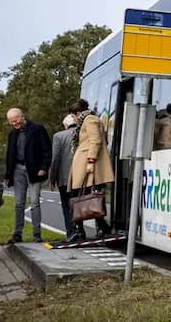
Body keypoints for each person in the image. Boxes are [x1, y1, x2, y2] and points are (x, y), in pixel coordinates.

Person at [67, 99, 113, 240]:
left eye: (73, 116)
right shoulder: (86, 120)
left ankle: (83, 230)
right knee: (86, 197)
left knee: (82, 197)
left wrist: (90, 161)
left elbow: (96, 140)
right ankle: (99, 227)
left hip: (88, 165)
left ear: (78, 113)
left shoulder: (90, 119)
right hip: (82, 164)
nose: (73, 119)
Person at [4, 108, 51, 244]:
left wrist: (43, 168)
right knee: (19, 203)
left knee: (35, 202)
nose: (14, 123)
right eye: (11, 122)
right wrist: (8, 175)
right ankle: (17, 233)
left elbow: (47, 150)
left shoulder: (37, 129)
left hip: (34, 170)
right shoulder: (12, 134)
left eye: (16, 120)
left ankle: (37, 234)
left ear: (22, 117)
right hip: (17, 170)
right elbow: (9, 154)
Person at [50, 114, 77, 242]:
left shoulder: (58, 136)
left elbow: (55, 159)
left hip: (65, 178)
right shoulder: (83, 134)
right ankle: (80, 231)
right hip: (81, 177)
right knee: (79, 204)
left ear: (65, 125)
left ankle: (71, 232)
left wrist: (52, 178)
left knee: (67, 206)